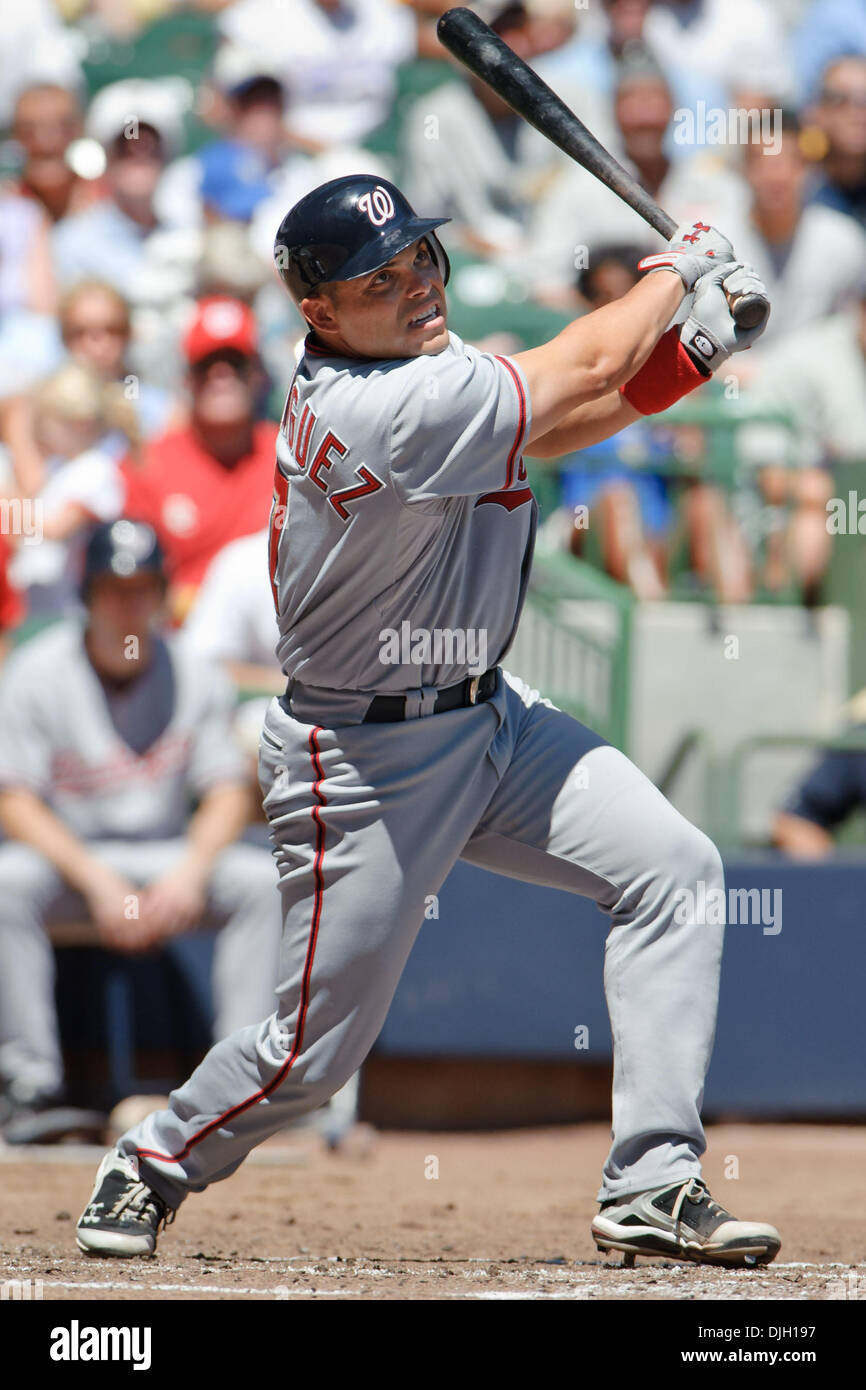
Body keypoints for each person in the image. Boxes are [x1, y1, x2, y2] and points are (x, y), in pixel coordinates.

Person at [75, 174, 781, 1268]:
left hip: (489, 718)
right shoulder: (369, 407)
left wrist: (689, 355)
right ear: (318, 312)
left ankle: (651, 1178)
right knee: (311, 1057)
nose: (415, 287)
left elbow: (565, 418)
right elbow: (582, 365)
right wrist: (676, 268)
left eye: (421, 259)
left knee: (674, 870)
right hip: (363, 760)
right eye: (379, 278)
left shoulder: (418, 369)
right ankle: (154, 1157)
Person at [0, 520, 282, 1138]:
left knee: (260, 882)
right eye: (112, 588)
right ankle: (29, 1085)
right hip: (73, 865)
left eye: (142, 588)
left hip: (165, 860)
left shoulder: (194, 670)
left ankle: (236, 1089)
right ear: (86, 594)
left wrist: (191, 873)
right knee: (5, 883)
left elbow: (227, 792)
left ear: (161, 594)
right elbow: (14, 801)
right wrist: (99, 882)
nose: (128, 604)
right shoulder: (36, 669)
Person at [121, 296, 278, 623]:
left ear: (257, 375)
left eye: (235, 362)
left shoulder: (292, 455)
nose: (221, 375)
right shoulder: (145, 464)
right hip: (178, 644)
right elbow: (130, 589)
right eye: (207, 364)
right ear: (187, 379)